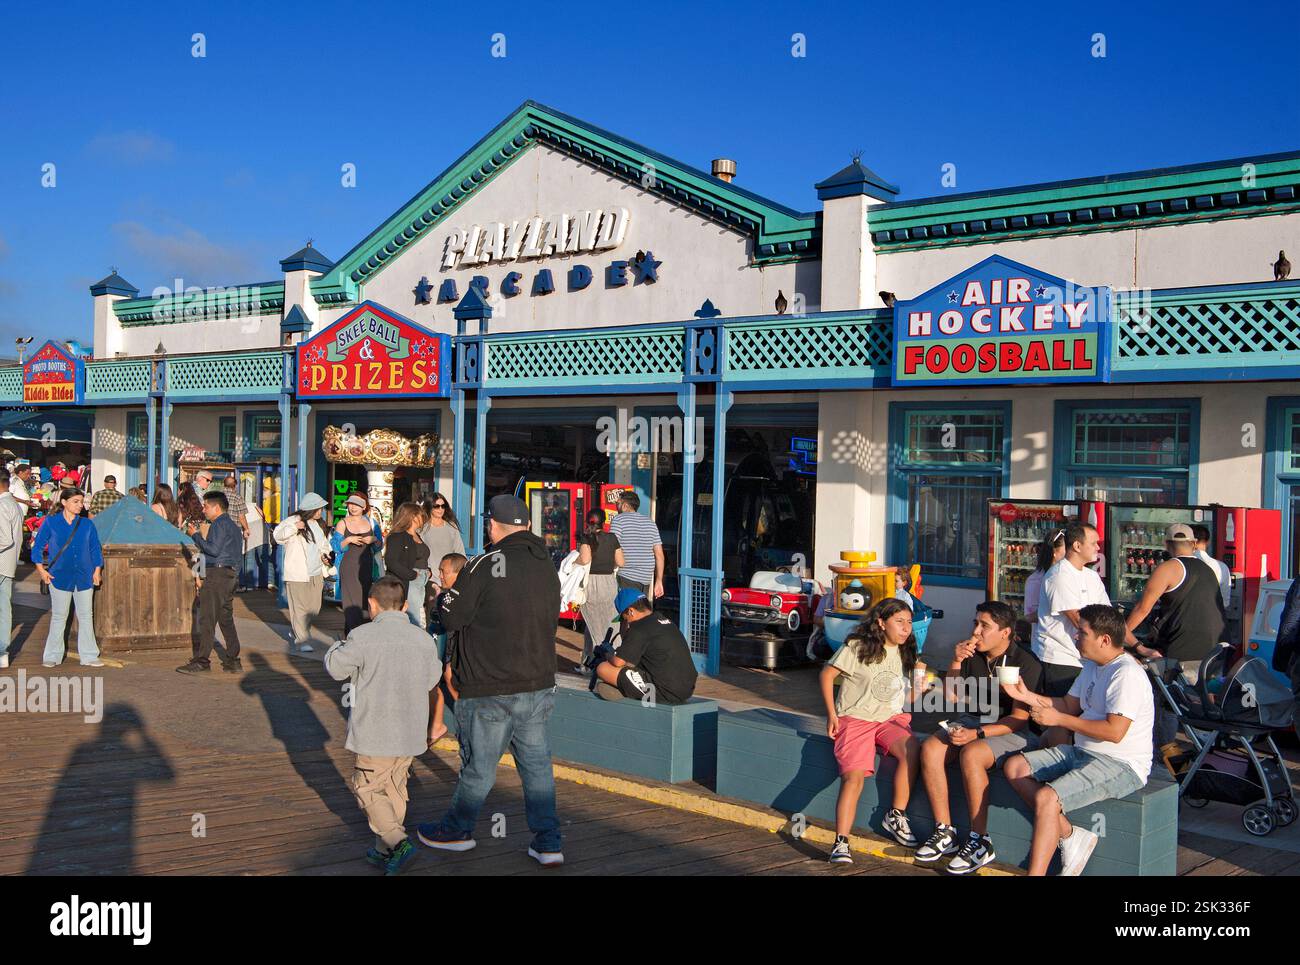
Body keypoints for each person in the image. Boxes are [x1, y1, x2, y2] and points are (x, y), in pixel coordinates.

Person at [416, 493, 564, 866]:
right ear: (526, 525)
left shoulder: (485, 562)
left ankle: (457, 830)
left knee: (479, 766)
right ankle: (548, 841)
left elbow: (452, 615)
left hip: (489, 684)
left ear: (493, 526)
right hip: (537, 682)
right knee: (536, 765)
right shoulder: (546, 565)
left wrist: (444, 599)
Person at [1003, 604, 1155, 876]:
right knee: (1015, 768)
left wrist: (1059, 720)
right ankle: (1070, 834)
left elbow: (1114, 732)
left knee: (1047, 798)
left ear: (1104, 639)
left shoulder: (1126, 674)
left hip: (1121, 764)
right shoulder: (1092, 666)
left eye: (1082, 632)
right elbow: (1067, 705)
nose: (1075, 636)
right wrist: (1026, 696)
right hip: (1083, 751)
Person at [915, 600, 1045, 874]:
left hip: (1016, 730)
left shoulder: (1025, 662)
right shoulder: (972, 654)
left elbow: (1019, 719)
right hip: (974, 720)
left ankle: (979, 840)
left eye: (984, 625)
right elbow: (951, 696)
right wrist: (956, 661)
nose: (975, 631)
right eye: (975, 623)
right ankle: (945, 830)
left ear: (1005, 632)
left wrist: (977, 734)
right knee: (930, 748)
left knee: (972, 754)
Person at [324, 575, 441, 875]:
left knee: (368, 788)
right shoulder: (423, 639)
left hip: (376, 732)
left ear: (372, 604)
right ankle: (383, 849)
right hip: (410, 731)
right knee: (395, 787)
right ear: (404, 607)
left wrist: (334, 647)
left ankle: (398, 843)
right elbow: (432, 679)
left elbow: (336, 669)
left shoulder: (362, 636)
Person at [819, 597, 923, 863]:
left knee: (913, 749)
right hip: (855, 719)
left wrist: (920, 683)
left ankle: (896, 815)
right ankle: (841, 842)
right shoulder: (858, 646)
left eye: (909, 622)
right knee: (853, 778)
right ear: (881, 622)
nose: (906, 628)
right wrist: (832, 714)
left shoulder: (907, 651)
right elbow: (827, 675)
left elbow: (908, 697)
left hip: (890, 720)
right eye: (899, 621)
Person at [1124, 523, 1227, 746]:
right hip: (1212, 650)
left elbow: (1143, 608)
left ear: (1167, 544)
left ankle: (1163, 756)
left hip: (1180, 651)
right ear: (1193, 544)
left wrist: (1121, 632)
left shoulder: (1169, 568)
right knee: (1200, 707)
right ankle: (1202, 751)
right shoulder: (1209, 569)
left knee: (1166, 705)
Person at [1033, 522, 1110, 697]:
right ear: (1077, 546)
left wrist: (1136, 646)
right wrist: (1110, 650)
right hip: (1061, 659)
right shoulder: (1059, 575)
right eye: (1093, 543)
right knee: (1061, 711)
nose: (1098, 547)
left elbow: (1108, 618)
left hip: (1086, 658)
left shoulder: (1092, 576)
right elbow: (1078, 620)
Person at [32, 488, 104, 668]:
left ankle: (89, 655)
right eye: (76, 502)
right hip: (59, 575)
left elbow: (95, 548)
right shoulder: (51, 522)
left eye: (82, 502)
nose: (81, 505)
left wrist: (97, 570)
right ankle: (52, 655)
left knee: (86, 616)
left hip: (84, 576)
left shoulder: (87, 524)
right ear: (64, 502)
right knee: (59, 616)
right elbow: (37, 546)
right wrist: (41, 570)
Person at [590, 588, 698, 704]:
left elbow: (618, 662)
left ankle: (628, 691)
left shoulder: (639, 628)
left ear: (630, 611)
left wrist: (608, 654)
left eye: (624, 619)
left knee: (603, 668)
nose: (626, 623)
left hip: (666, 691)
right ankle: (629, 689)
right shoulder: (664, 620)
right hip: (687, 689)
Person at [177, 492, 245, 675]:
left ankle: (202, 661)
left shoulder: (218, 524)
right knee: (225, 618)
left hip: (218, 575)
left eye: (206, 506)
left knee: (207, 618)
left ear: (216, 507)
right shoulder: (233, 526)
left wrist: (196, 535)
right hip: (230, 574)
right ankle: (233, 659)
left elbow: (213, 550)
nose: (204, 510)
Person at [274, 493, 330, 653]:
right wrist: (294, 527)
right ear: (310, 509)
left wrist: (325, 556)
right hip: (297, 573)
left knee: (314, 609)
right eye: (318, 509)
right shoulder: (293, 520)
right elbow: (277, 536)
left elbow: (323, 545)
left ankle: (296, 630)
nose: (320, 512)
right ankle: (302, 639)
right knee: (299, 609)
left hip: (316, 573)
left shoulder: (318, 525)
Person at [576, 509, 624, 671]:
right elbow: (621, 562)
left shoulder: (586, 538)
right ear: (604, 522)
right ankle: (593, 662)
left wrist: (572, 561)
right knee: (608, 624)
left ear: (588, 522)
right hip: (609, 585)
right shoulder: (612, 538)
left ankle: (595, 664)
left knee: (593, 624)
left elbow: (585, 559)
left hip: (592, 584)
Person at [427, 551, 467, 747]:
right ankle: (436, 725)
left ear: (459, 574)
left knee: (449, 677)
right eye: (439, 571)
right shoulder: (445, 595)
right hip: (444, 644)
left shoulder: (464, 597)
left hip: (459, 649)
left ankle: (468, 721)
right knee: (435, 680)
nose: (440, 575)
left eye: (444, 571)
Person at [333, 493, 382, 635]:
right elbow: (336, 546)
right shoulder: (342, 523)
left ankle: (358, 634)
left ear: (364, 507)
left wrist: (373, 539)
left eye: (357, 504)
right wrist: (348, 540)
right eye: (350, 504)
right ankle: (352, 635)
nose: (353, 507)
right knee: (350, 602)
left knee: (365, 602)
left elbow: (379, 546)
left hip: (367, 566)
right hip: (348, 566)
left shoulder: (372, 523)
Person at [608, 491, 664, 602]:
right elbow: (659, 555)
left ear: (624, 505)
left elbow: (611, 547)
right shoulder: (650, 523)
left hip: (626, 577)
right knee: (640, 610)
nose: (616, 507)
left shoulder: (619, 520)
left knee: (626, 610)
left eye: (618, 503)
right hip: (646, 580)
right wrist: (659, 581)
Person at [384, 502, 431, 630]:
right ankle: (415, 639)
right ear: (412, 517)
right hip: (410, 580)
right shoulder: (397, 537)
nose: (423, 519)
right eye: (420, 515)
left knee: (419, 613)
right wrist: (412, 574)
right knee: (415, 616)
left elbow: (421, 557)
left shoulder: (417, 535)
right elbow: (391, 561)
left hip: (422, 579)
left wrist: (428, 571)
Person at [0, 469, 25, 669]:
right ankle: (3, 652)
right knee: (4, 609)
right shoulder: (14, 505)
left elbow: (4, 539)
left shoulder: (1, 505)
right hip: (8, 564)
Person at [1191, 524, 1232, 613]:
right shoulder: (1222, 567)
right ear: (1208, 542)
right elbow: (1225, 602)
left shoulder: (1178, 564)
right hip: (1214, 616)